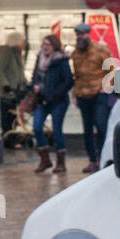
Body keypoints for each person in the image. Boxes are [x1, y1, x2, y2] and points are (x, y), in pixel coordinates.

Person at [70, 22, 113, 173]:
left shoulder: (100, 49)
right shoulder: (75, 53)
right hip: (83, 94)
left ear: (88, 34)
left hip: (98, 93)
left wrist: (106, 88)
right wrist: (75, 94)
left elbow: (112, 70)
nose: (79, 38)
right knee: (87, 129)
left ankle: (103, 158)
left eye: (82, 34)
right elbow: (77, 75)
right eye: (77, 35)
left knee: (101, 126)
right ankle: (92, 160)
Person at [31, 34, 73, 174]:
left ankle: (61, 162)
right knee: (37, 127)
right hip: (41, 100)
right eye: (43, 44)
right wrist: (34, 86)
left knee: (56, 130)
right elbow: (34, 76)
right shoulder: (39, 58)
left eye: (48, 44)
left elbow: (68, 81)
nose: (45, 47)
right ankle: (45, 159)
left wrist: (55, 93)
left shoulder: (61, 60)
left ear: (54, 45)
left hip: (57, 101)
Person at [0, 32, 27, 140]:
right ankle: (9, 138)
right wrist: (5, 85)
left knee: (13, 115)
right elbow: (1, 70)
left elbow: (19, 71)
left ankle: (13, 137)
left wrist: (24, 83)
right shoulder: (6, 51)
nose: (24, 45)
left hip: (15, 90)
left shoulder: (16, 53)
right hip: (8, 91)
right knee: (8, 116)